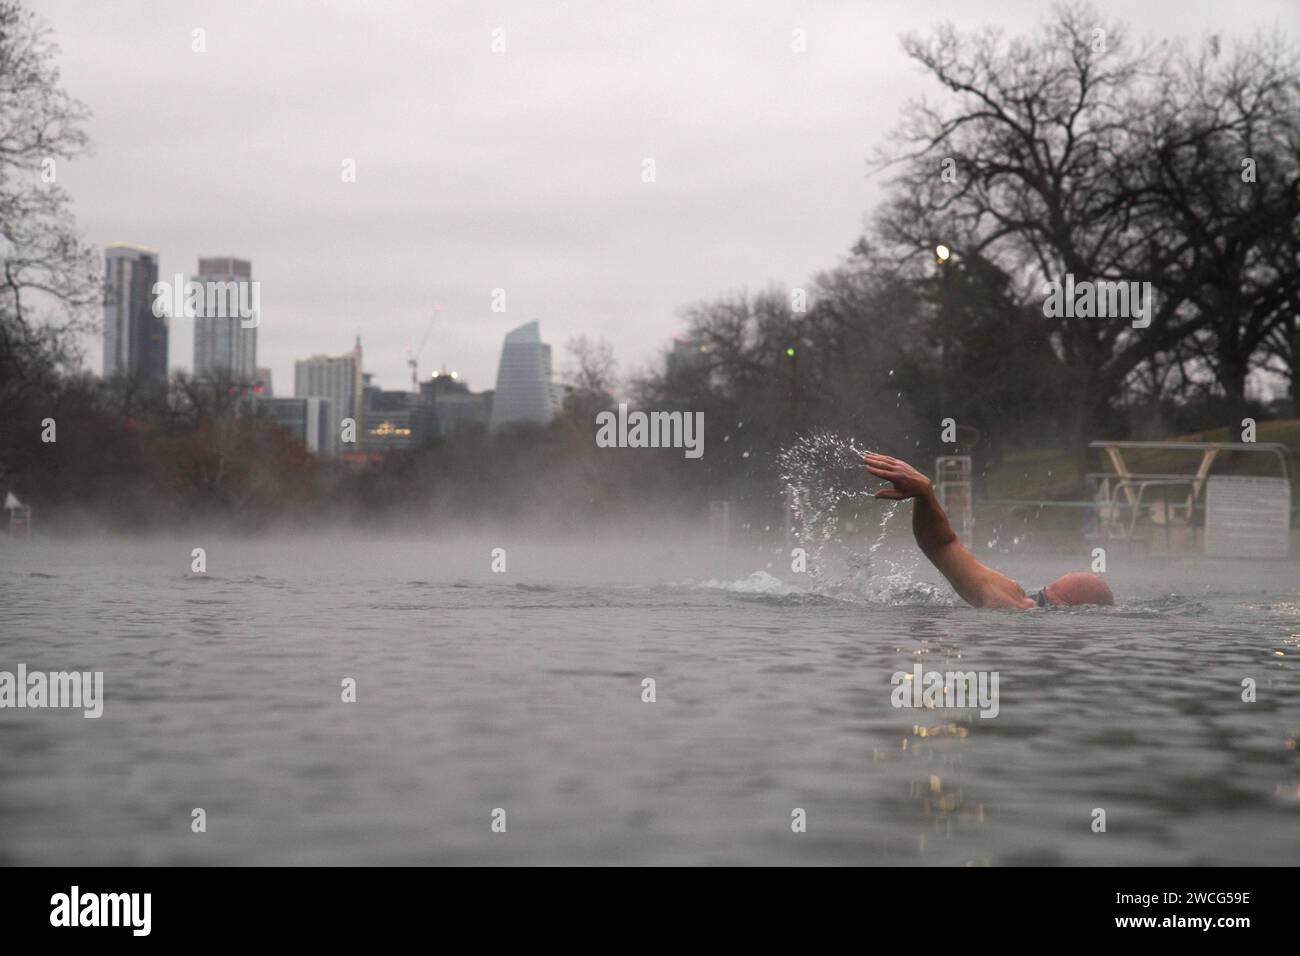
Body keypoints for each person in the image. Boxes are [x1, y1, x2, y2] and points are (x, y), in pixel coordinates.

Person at [864, 452, 1113, 609]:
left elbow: (942, 547)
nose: (1031, 601)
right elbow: (942, 546)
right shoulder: (1015, 603)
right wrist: (925, 496)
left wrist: (926, 495)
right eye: (1039, 596)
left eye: (1044, 601)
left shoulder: (1016, 606)